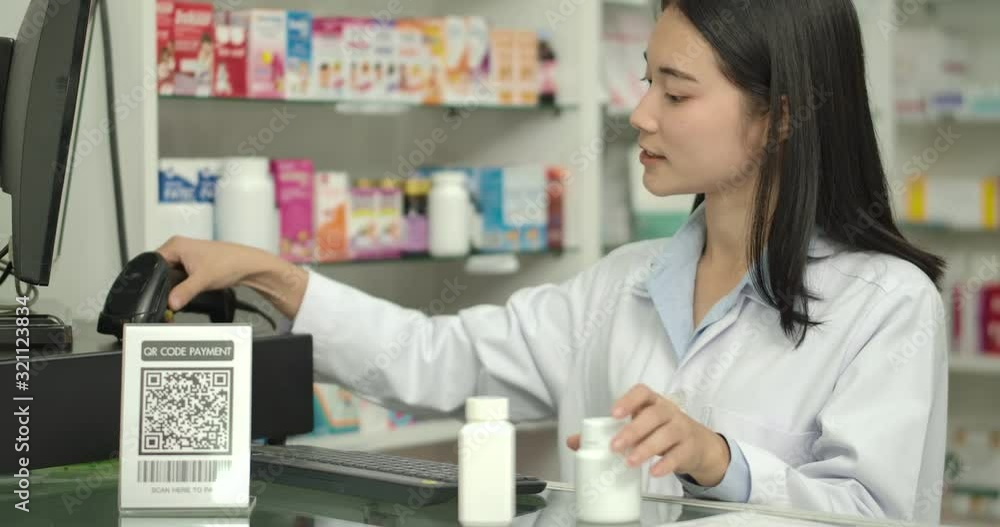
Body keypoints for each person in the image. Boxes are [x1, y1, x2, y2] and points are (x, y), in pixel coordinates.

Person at [157, 0, 948, 523]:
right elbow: (437, 357)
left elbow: (872, 512)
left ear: (779, 117)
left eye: (675, 93)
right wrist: (274, 277)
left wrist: (720, 459)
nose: (639, 113)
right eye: (647, 83)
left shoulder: (886, 305)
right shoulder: (623, 283)